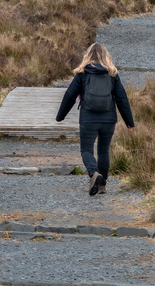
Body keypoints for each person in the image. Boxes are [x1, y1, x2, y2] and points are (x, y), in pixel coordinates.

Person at [55, 42, 134, 196]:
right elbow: (122, 98)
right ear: (106, 56)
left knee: (86, 150)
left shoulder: (83, 73)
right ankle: (102, 185)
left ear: (88, 55)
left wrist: (60, 116)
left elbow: (70, 94)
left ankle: (94, 173)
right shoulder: (112, 74)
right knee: (103, 151)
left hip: (88, 118)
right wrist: (129, 122)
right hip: (108, 119)